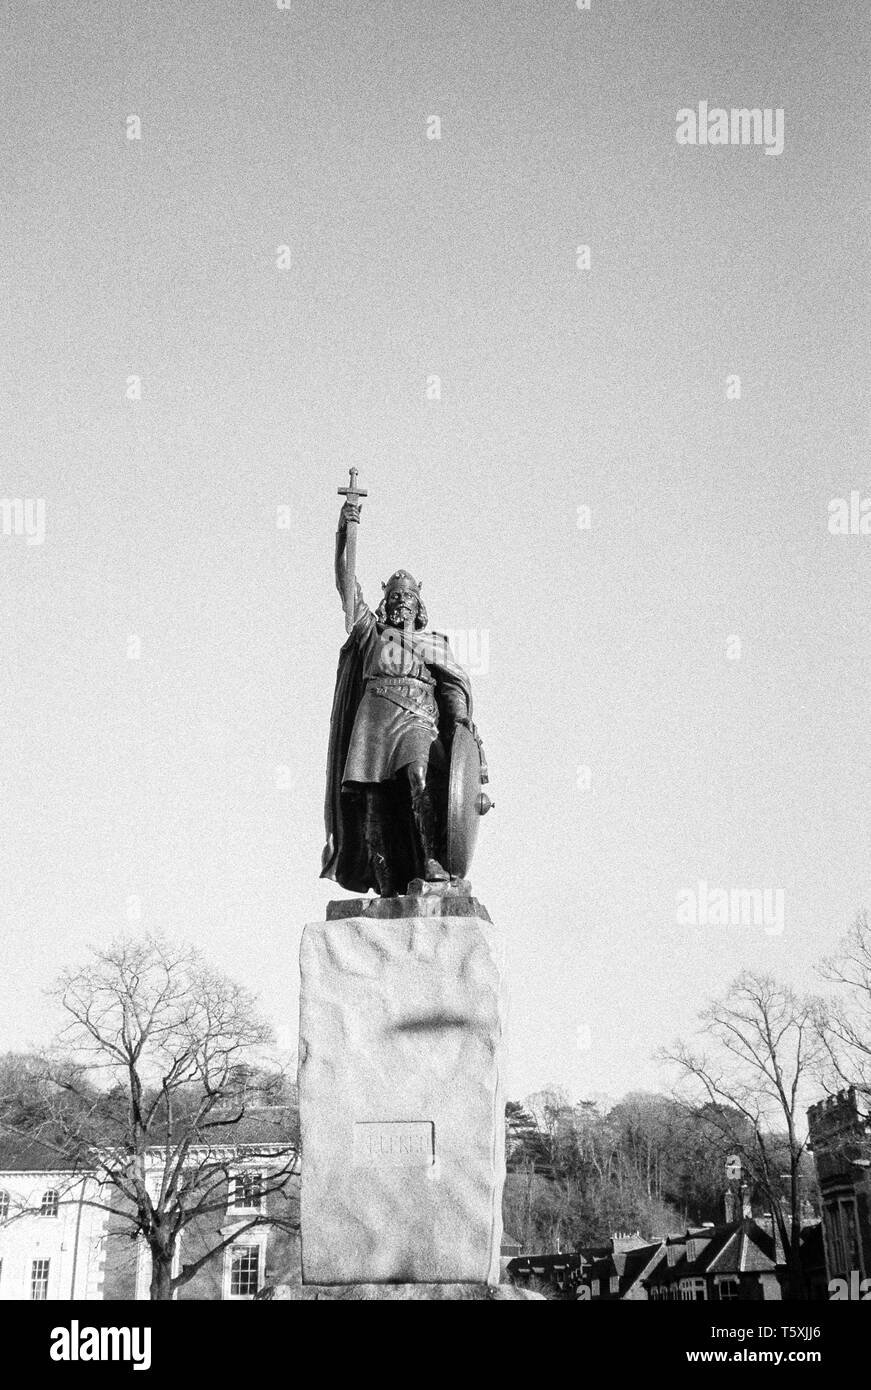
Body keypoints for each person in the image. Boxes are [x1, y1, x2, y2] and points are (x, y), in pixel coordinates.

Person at [321, 500, 475, 896]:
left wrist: (459, 723)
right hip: (373, 721)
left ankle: (430, 858)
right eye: (394, 596)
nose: (400, 601)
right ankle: (385, 880)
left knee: (418, 778)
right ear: (385, 602)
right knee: (371, 802)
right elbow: (346, 581)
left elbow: (452, 686)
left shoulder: (432, 643)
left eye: (407, 597)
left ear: (418, 605)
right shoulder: (370, 631)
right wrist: (347, 530)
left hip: (417, 717)